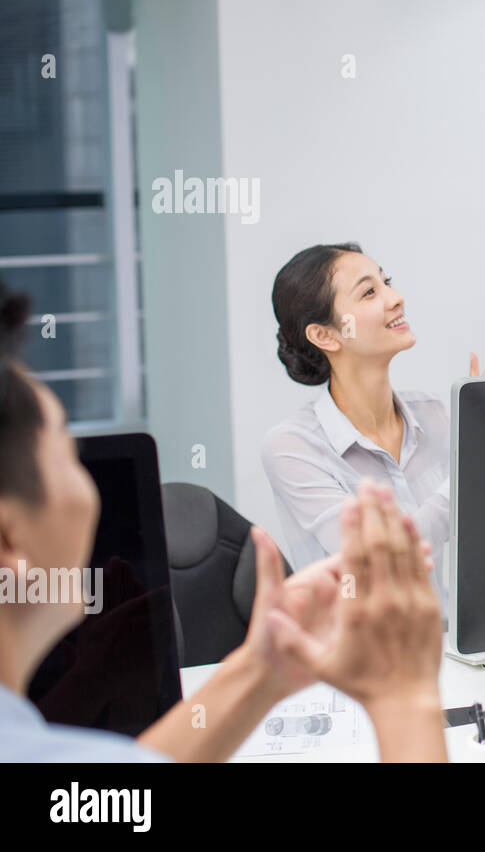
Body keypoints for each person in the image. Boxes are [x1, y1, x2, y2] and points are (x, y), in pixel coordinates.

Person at [0, 284, 448, 762]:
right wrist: (405, 695)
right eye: (68, 453)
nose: (393, 298)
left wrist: (263, 670)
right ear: (10, 540)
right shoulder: (291, 441)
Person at [262, 242, 485, 599]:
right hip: (355, 653)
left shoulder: (435, 414)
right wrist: (472, 460)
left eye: (386, 281)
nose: (395, 297)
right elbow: (385, 562)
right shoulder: (292, 447)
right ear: (324, 335)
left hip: (447, 647)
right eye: (368, 292)